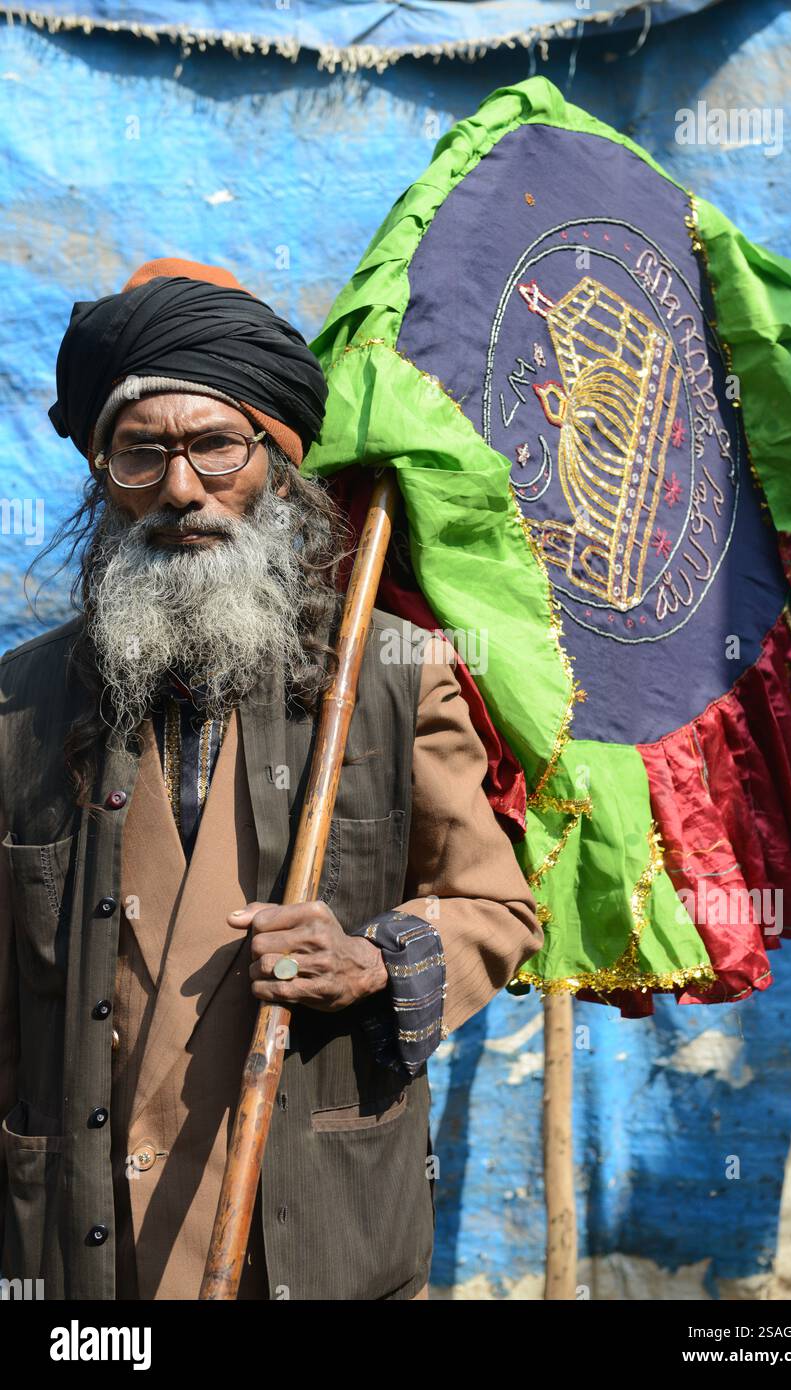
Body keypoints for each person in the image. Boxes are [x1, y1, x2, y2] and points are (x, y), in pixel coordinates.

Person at [0, 258, 543, 1301]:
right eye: (140, 453)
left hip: (316, 1241)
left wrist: (376, 962)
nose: (181, 489)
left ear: (280, 469)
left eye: (215, 446)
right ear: (101, 475)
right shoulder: (23, 706)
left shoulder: (388, 678)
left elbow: (495, 904)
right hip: (78, 1256)